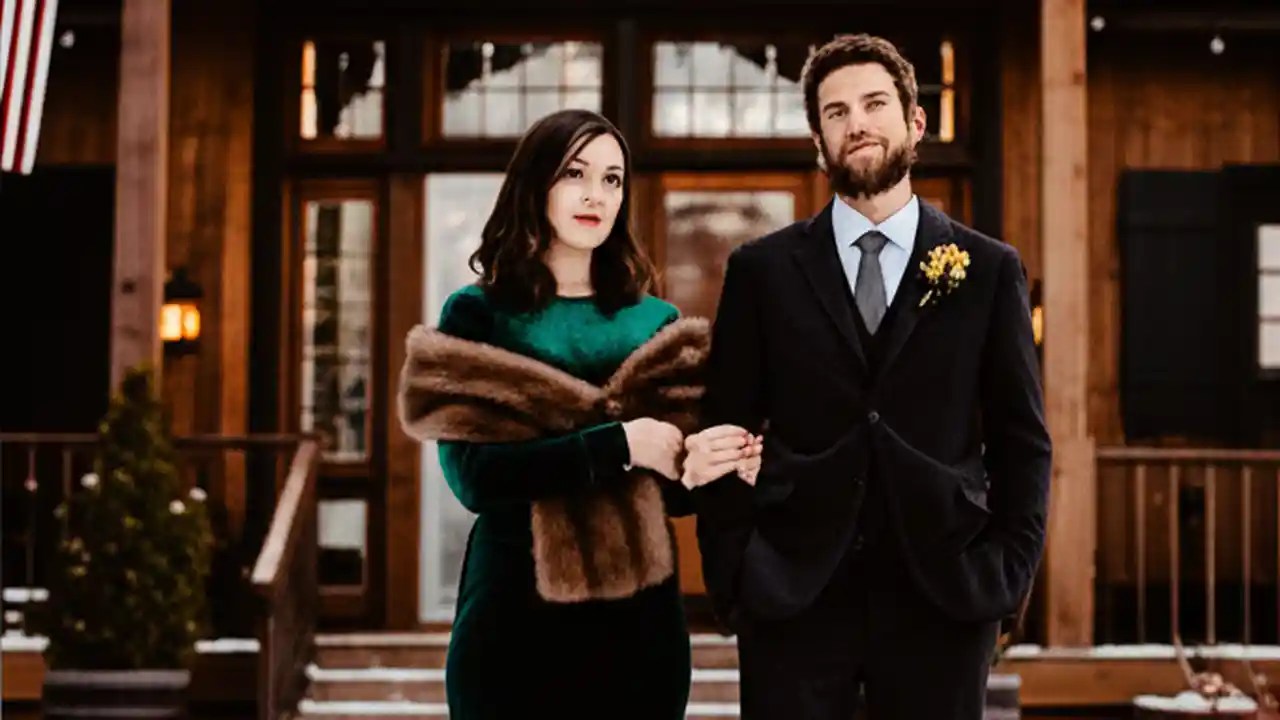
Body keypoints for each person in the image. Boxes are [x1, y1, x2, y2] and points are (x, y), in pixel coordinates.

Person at [683, 34, 1052, 719]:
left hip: (944, 593)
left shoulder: (988, 269)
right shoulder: (762, 272)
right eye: (836, 112)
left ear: (914, 123)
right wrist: (736, 573)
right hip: (794, 596)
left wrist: (1006, 575)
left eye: (874, 103)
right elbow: (723, 428)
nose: (856, 122)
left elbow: (1022, 440)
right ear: (818, 142)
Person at [396, 108, 761, 720]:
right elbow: (476, 479)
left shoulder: (655, 324)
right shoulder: (478, 315)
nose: (597, 195)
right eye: (576, 173)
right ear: (536, 183)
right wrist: (618, 445)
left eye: (613, 179)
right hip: (514, 617)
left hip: (638, 627)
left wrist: (705, 466)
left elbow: (676, 492)